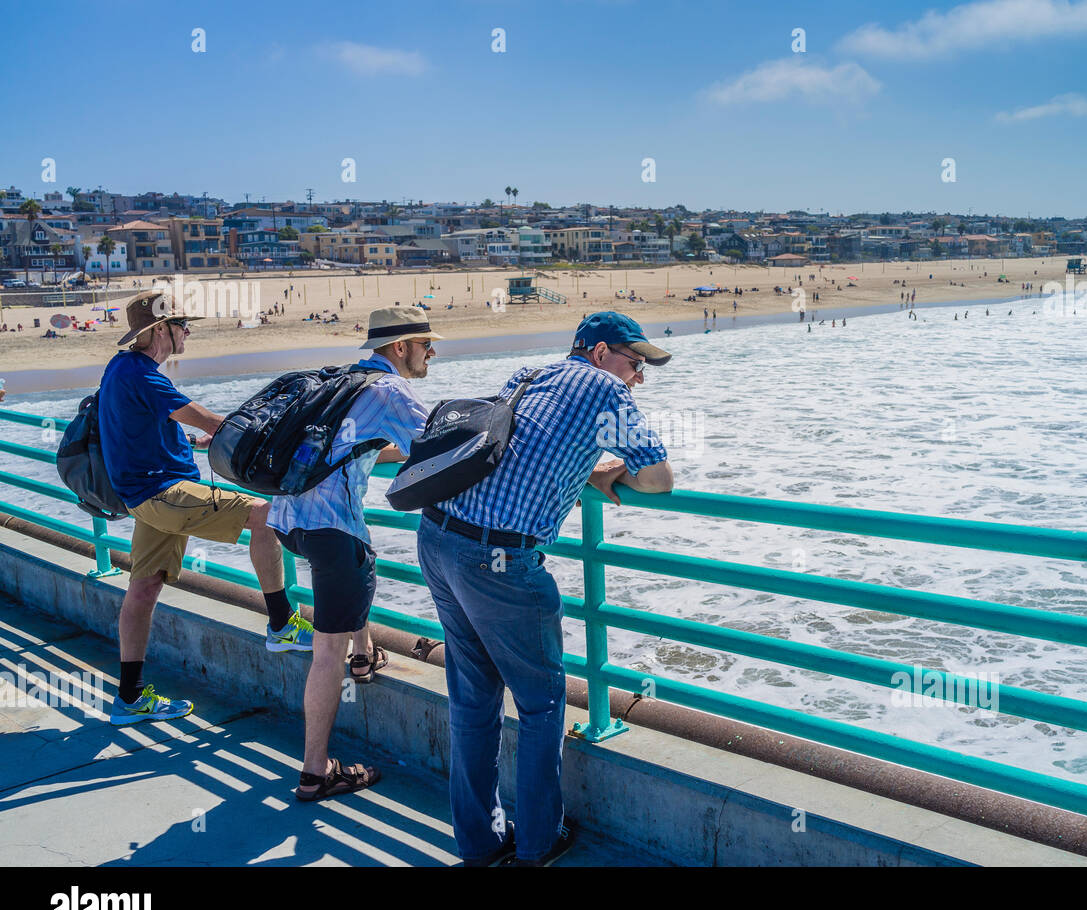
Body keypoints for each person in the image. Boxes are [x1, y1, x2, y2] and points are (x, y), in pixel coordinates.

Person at [416, 311, 673, 866]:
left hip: (438, 537)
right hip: (498, 560)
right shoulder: (603, 385)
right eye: (636, 362)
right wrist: (609, 475)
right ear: (601, 352)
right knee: (540, 702)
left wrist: (586, 470)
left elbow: (525, 448)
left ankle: (480, 844)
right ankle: (536, 842)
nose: (640, 377)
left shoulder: (531, 372)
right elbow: (658, 478)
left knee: (473, 696)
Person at [98, 291, 313, 727]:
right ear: (160, 329)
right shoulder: (145, 376)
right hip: (162, 495)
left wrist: (190, 443)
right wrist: (283, 440)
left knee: (143, 589)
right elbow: (214, 422)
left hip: (144, 497)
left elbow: (153, 426)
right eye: (181, 325)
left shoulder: (123, 369)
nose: (188, 331)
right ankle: (281, 624)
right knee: (264, 514)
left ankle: (130, 698)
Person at [270, 307, 438, 800]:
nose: (432, 352)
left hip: (288, 520)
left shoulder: (340, 380)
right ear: (400, 347)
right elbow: (444, 443)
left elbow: (352, 446)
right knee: (327, 651)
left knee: (360, 566)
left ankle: (363, 657)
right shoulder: (390, 390)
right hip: (330, 528)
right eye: (426, 343)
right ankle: (315, 772)